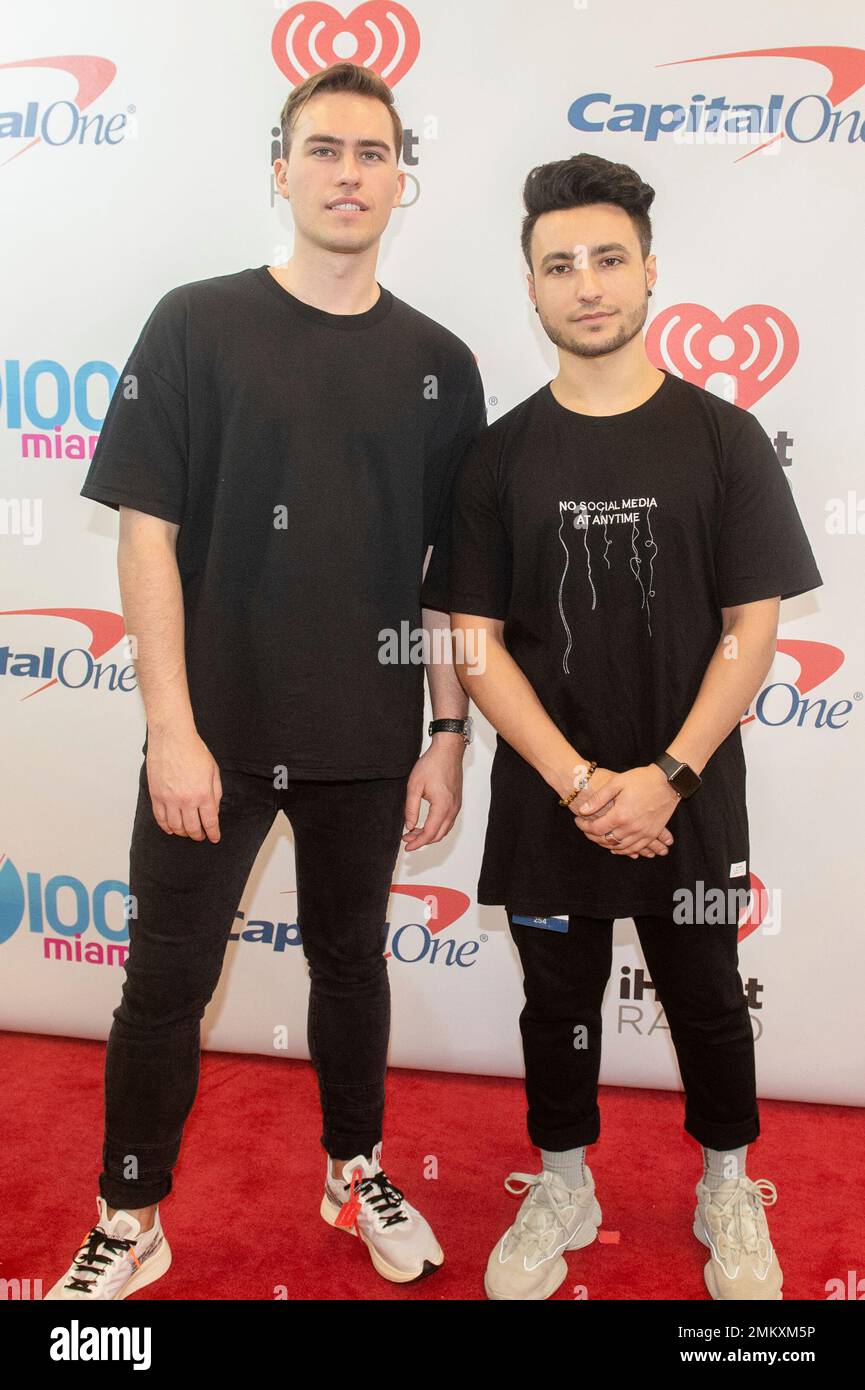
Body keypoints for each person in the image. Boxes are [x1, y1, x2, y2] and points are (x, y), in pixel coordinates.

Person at [46, 62, 484, 1300]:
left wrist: (446, 734)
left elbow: (450, 575)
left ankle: (354, 1168)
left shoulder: (442, 363)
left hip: (367, 730)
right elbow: (146, 535)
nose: (349, 171)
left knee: (353, 962)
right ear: (279, 169)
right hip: (215, 732)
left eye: (373, 152)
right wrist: (169, 729)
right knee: (167, 979)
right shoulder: (195, 322)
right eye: (324, 148)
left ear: (403, 177)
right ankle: (129, 1217)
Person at [420, 153, 823, 1301]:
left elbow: (753, 627)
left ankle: (726, 1186)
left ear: (650, 272)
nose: (585, 283)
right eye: (560, 265)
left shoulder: (723, 437)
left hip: (688, 796)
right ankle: (563, 1184)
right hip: (554, 803)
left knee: (706, 996)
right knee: (557, 1005)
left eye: (607, 259)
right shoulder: (495, 456)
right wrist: (584, 786)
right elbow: (474, 638)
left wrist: (668, 775)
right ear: (532, 287)